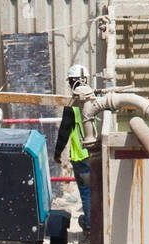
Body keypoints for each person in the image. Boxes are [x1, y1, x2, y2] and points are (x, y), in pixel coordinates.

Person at [54, 64, 93, 233]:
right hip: (98, 156)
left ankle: (91, 227)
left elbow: (64, 131)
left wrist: (57, 154)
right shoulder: (97, 99)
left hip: (82, 158)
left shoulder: (72, 104)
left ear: (71, 82)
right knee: (99, 191)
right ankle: (98, 225)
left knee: (86, 192)